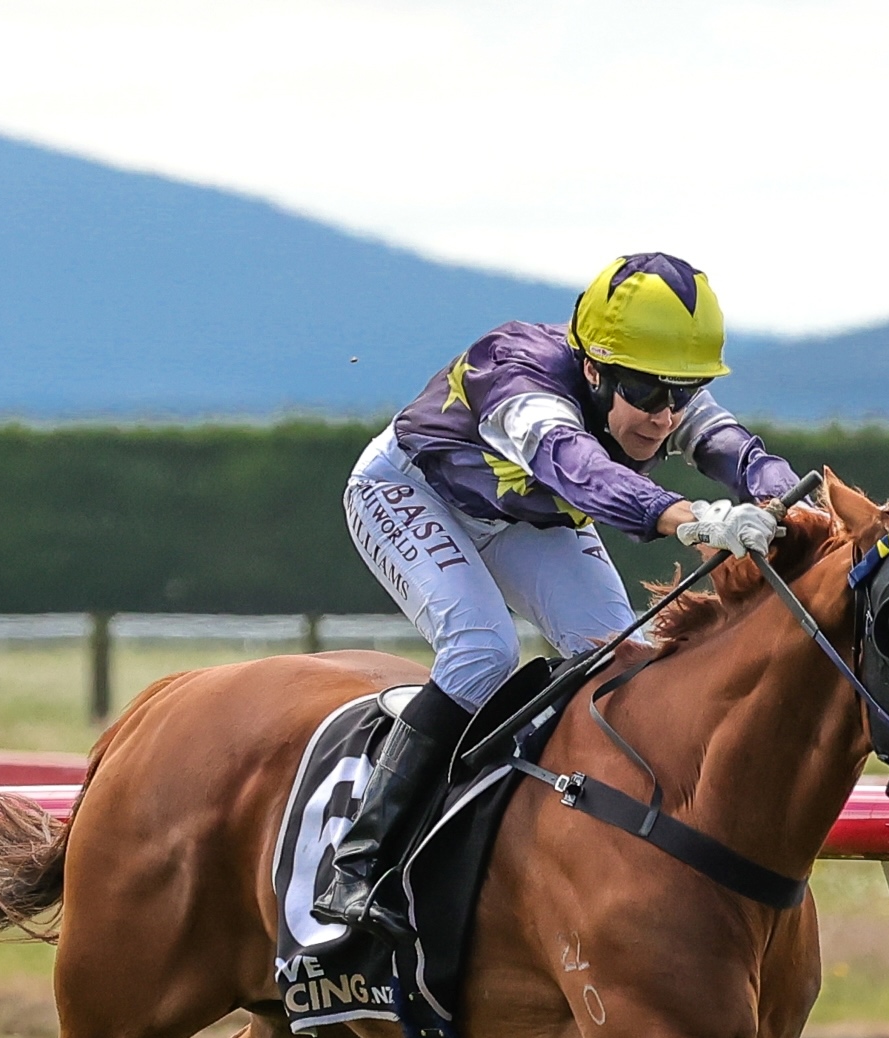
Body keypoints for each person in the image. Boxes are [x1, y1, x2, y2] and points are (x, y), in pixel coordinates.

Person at [314, 251, 800, 930]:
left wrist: (793, 500)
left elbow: (734, 449)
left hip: (520, 516)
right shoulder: (519, 376)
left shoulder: (650, 379)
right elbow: (577, 472)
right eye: (649, 394)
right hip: (411, 491)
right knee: (483, 652)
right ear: (595, 370)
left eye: (683, 393)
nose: (665, 416)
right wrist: (692, 517)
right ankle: (356, 865)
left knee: (624, 657)